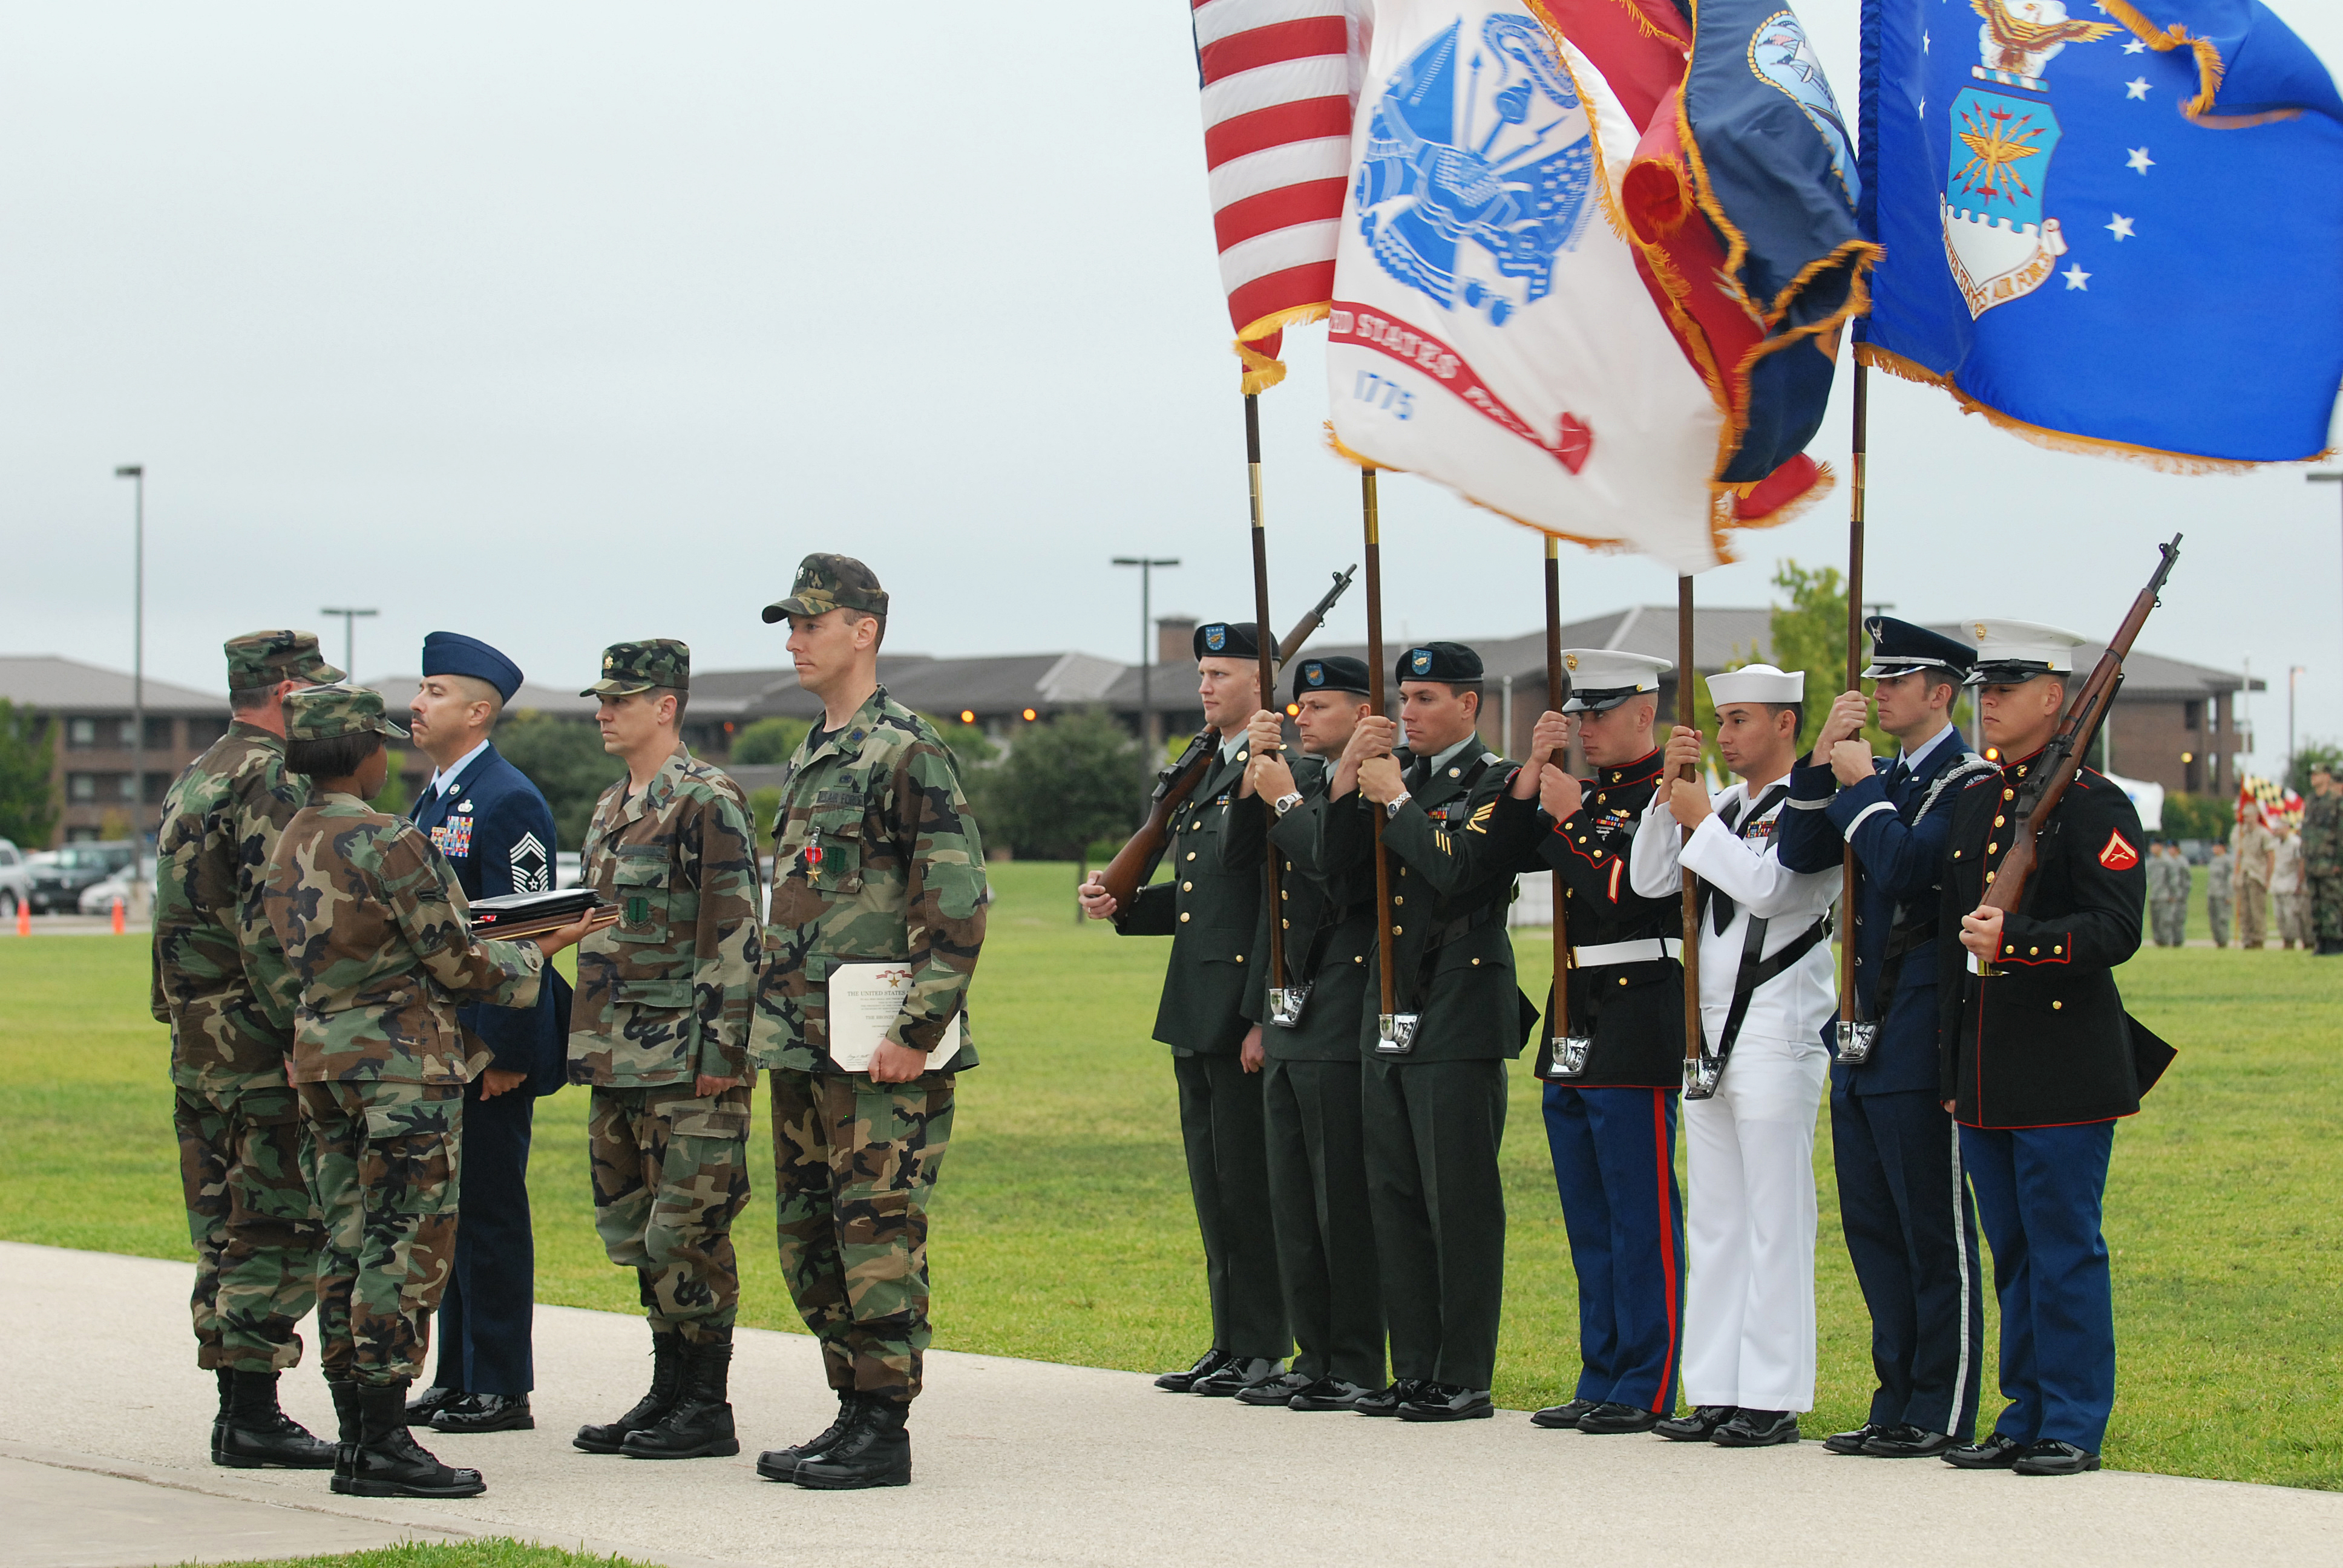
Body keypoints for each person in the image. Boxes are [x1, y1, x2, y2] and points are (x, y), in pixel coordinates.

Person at [263, 685, 594, 1500]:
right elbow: (460, 962)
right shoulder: (391, 840)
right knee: (404, 1248)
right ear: (362, 756)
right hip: (400, 1073)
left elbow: (270, 966)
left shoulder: (288, 838)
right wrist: (547, 947)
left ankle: (354, 1428)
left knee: (345, 1242)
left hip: (326, 1065)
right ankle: (381, 1440)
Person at [750, 555, 988, 1489]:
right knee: (810, 1239)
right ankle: (849, 1409)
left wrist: (916, 1034)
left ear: (865, 631)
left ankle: (884, 1429)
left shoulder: (907, 750)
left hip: (885, 1057)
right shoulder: (815, 753)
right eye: (791, 624)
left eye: (812, 623)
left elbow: (958, 909)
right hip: (809, 1047)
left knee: (877, 1232)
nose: (795, 640)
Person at [1935, 621, 2159, 1477]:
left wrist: (2019, 941)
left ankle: (2071, 1419)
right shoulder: (1976, 799)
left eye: (2006, 688)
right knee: (2013, 1251)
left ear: (2055, 698)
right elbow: (1950, 952)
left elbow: (2117, 928)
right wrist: (1956, 1071)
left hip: (2064, 1064)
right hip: (1988, 1068)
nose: (1987, 701)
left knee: (2064, 1248)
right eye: (1984, 688)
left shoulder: (2096, 804)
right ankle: (2022, 1411)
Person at [1775, 619, 1991, 1460]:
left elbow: (1910, 873)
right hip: (1859, 1029)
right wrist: (1823, 762)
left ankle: (1939, 1406)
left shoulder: (1964, 784)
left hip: (1920, 1026)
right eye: (1879, 677)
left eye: (1899, 678)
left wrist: (1861, 789)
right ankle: (1894, 1397)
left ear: (1941, 691)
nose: (1882, 690)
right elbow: (1800, 851)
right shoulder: (1883, 772)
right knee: (1873, 1225)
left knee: (1929, 1226)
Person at [1327, 642, 1542, 1422]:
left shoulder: (1495, 781)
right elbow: (1335, 875)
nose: (1407, 713)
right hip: (1384, 1002)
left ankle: (1463, 1373)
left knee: (1456, 1198)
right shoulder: (1395, 779)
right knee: (1393, 1193)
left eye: (1424, 698)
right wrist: (1348, 782)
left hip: (1457, 1000)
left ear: (1468, 705)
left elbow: (1460, 870)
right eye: (1403, 698)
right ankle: (1412, 1365)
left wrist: (1395, 803)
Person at [1079, 621, 1291, 1399]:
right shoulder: (1206, 766)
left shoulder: (1276, 770)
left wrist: (1263, 1010)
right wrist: (1124, 903)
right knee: (1213, 1184)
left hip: (1240, 1005)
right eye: (1201, 673)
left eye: (1222, 674)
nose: (1205, 686)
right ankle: (1229, 1339)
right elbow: (1202, 897)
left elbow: (1271, 893)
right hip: (1195, 1002)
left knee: (1250, 1185)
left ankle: (1266, 1344)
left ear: (1263, 684)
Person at [1630, 664, 1838, 1449]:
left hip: (1776, 1028)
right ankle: (1716, 1386)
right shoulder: (1717, 802)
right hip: (1707, 1032)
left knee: (1774, 1217)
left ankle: (1773, 1392)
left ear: (1786, 724)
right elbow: (1652, 878)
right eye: (1721, 724)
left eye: (1742, 721)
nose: (1727, 737)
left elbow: (1776, 889)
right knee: (1716, 1218)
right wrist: (1671, 799)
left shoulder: (1806, 809)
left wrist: (1704, 826)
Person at [152, 630, 342, 1470]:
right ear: (290, 690)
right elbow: (276, 916)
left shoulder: (200, 772)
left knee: (222, 1219)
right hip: (257, 1042)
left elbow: (177, 915)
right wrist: (305, 1027)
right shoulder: (270, 776)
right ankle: (253, 1412)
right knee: (276, 1216)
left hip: (200, 1039)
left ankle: (238, 1404)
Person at [568, 641, 762, 1460]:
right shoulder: (614, 805)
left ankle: (706, 1406)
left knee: (690, 1228)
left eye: (623, 699)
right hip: (616, 1056)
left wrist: (725, 1045)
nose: (606, 712)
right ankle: (668, 1388)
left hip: (689, 1060)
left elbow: (734, 927)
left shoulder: (706, 800)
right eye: (603, 699)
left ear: (667, 707)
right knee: (638, 1227)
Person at [1510, 650, 1689, 1436]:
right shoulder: (1574, 791)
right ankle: (1601, 1371)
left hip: (1639, 1006)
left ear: (1644, 712)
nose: (1585, 725)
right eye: (1579, 713)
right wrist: (1537, 773)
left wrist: (1570, 816)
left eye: (1599, 712)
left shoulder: (1670, 793)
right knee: (1588, 1213)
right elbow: (1502, 851)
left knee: (1639, 1215)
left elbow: (1626, 897)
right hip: (1574, 1008)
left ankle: (1645, 1383)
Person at [399, 633, 569, 1437]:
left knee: (493, 1212)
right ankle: (458, 1371)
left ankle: (502, 1383)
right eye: (420, 688)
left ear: (478, 711)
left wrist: (503, 1046)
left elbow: (530, 934)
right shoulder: (434, 800)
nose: (416, 703)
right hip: (438, 1046)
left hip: (484, 1047)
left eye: (434, 691)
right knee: (451, 1213)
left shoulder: (508, 800)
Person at [1223, 656, 1386, 1411]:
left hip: (1339, 1004)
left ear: (1361, 713)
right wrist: (1251, 770)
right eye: (1299, 707)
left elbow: (1336, 875)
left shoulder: (1374, 783)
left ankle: (1353, 1357)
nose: (1303, 719)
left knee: (1338, 1201)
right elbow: (1249, 879)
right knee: (1291, 1201)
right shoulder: (1305, 783)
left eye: (1319, 706)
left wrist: (1285, 798)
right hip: (1289, 1014)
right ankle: (1312, 1353)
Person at [2307, 765, 2343, 956]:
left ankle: (2335, 943)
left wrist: (2340, 861)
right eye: (2312, 775)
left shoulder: (2337, 802)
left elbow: (2341, 834)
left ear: (2327, 777)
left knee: (2332, 903)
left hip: (2330, 863)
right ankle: (2320, 942)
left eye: (2317, 774)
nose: (2313, 778)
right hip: (2314, 863)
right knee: (2316, 903)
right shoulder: (2311, 801)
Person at [2232, 809, 2275, 950]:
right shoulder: (2243, 834)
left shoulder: (2263, 834)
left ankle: (2258, 939)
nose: (2246, 819)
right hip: (2244, 874)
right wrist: (2236, 874)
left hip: (2257, 875)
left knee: (2257, 911)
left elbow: (2270, 857)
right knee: (2245, 910)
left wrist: (2268, 878)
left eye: (2249, 816)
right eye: (2244, 817)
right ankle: (2247, 938)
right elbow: (2239, 855)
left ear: (2256, 816)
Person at [2146, 841, 2189, 948]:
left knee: (2165, 922)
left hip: (2165, 896)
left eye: (2154, 846)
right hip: (2155, 896)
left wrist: (2174, 894)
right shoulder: (2152, 862)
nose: (2152, 848)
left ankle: (2167, 943)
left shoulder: (2168, 862)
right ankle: (2159, 942)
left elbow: (2173, 879)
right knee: (2156, 922)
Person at [2271, 828, 2309, 950]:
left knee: (2291, 916)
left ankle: (2294, 941)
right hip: (2278, 883)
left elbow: (2301, 863)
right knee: (2279, 915)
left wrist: (2299, 882)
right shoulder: (2275, 843)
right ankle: (2286, 940)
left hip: (2291, 883)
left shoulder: (2295, 843)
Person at [2204, 841, 2232, 949]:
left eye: (2217, 846)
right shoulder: (2214, 860)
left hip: (2222, 894)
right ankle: (2217, 940)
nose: (2214, 849)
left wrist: (2229, 894)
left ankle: (2224, 941)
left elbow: (2230, 879)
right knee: (2214, 919)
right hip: (2212, 893)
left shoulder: (2227, 860)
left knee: (2222, 919)